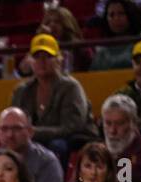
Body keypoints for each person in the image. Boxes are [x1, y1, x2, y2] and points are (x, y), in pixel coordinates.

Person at [10, 34, 94, 164]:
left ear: (59, 59)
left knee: (57, 146)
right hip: (33, 139)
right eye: (37, 57)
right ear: (30, 61)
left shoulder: (71, 87)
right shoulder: (22, 90)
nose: (42, 61)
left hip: (69, 140)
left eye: (48, 56)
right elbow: (14, 122)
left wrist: (33, 132)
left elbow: (72, 127)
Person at [101, 94, 141, 182]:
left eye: (119, 123)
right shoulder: (96, 151)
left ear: (134, 123)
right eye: (108, 123)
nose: (112, 131)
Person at [91, 0, 141, 72]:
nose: (116, 18)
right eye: (111, 15)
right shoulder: (102, 49)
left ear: (130, 15)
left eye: (121, 13)